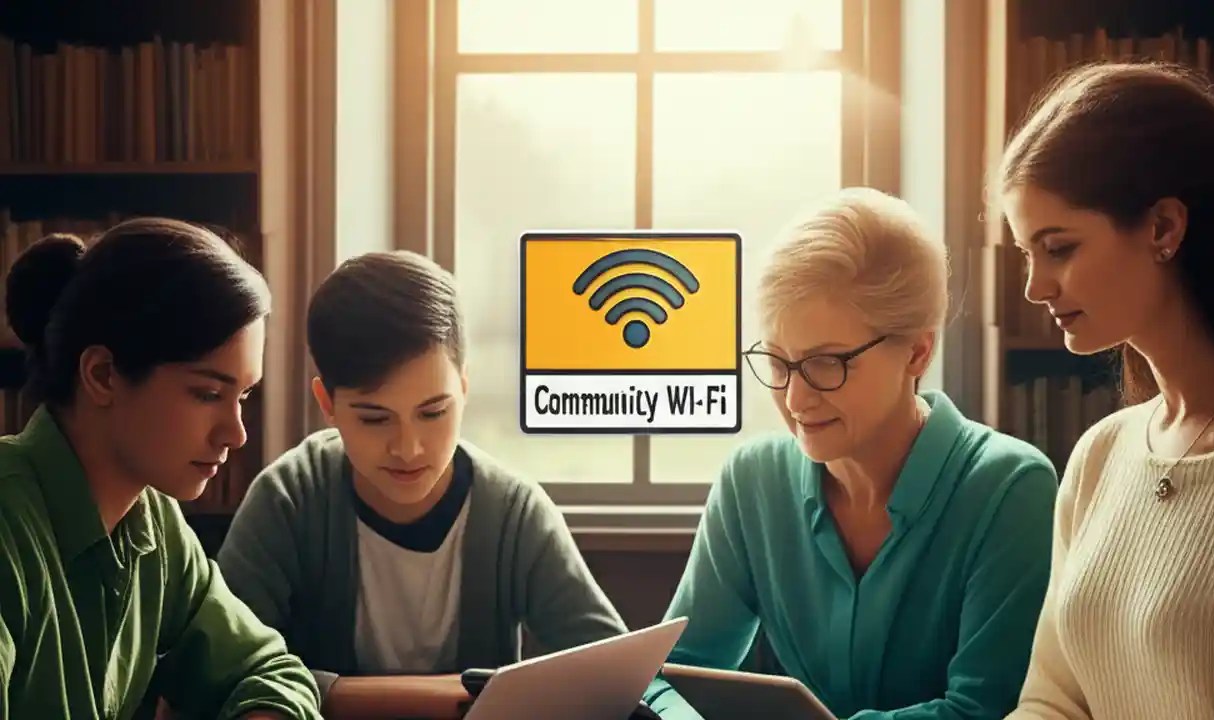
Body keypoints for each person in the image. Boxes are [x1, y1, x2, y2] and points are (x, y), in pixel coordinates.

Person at [643, 187, 1060, 719]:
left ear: (917, 351)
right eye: (776, 361)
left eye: (826, 363)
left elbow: (983, 711)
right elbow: (669, 678)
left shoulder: (1009, 488)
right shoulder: (752, 481)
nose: (795, 399)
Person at [216, 250, 629, 718]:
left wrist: (328, 692)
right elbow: (222, 671)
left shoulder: (512, 512)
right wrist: (445, 696)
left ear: (465, 388)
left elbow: (610, 671)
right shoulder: (290, 499)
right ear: (326, 403)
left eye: (434, 412)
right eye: (375, 419)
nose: (409, 448)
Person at [1001, 61, 1214, 719]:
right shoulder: (1101, 454)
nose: (1035, 288)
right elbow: (1051, 700)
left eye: (1059, 247)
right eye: (1025, 254)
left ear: (1163, 228)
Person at [0, 219, 322, 720]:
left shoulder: (155, 527)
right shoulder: (8, 526)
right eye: (208, 394)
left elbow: (269, 672)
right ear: (103, 375)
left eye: (243, 396)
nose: (235, 434)